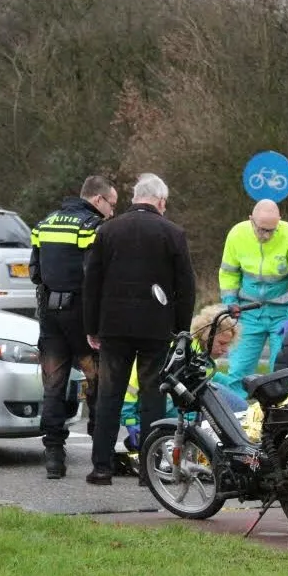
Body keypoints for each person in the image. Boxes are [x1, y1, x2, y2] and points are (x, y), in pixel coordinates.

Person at [83, 173, 196, 486]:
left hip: (113, 326)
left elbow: (92, 282)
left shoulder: (107, 230)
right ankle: (149, 470)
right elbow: (185, 286)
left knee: (109, 395)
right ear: (160, 201)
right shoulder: (173, 233)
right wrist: (181, 329)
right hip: (155, 328)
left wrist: (91, 326)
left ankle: (101, 467)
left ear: (135, 199)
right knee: (152, 398)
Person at [28, 175, 117, 479]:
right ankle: (100, 454)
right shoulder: (91, 226)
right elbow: (94, 274)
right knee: (97, 382)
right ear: (97, 199)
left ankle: (54, 456)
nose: (112, 212)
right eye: (111, 205)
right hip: (82, 316)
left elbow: (35, 273)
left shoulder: (44, 224)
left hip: (50, 316)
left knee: (53, 386)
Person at [114, 303, 248, 475]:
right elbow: (133, 384)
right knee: (233, 406)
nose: (225, 350)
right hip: (158, 408)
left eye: (228, 345)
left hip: (169, 409)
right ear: (207, 335)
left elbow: (216, 381)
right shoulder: (182, 353)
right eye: (222, 344)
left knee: (233, 402)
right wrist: (130, 420)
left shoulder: (200, 354)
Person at [218, 199, 288, 397]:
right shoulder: (237, 234)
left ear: (279, 221)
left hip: (282, 313)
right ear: (251, 220)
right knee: (238, 370)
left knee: (282, 371)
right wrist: (230, 303)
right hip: (247, 312)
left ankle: (284, 412)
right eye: (261, 229)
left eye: (271, 230)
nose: (266, 235)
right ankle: (236, 411)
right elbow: (228, 273)